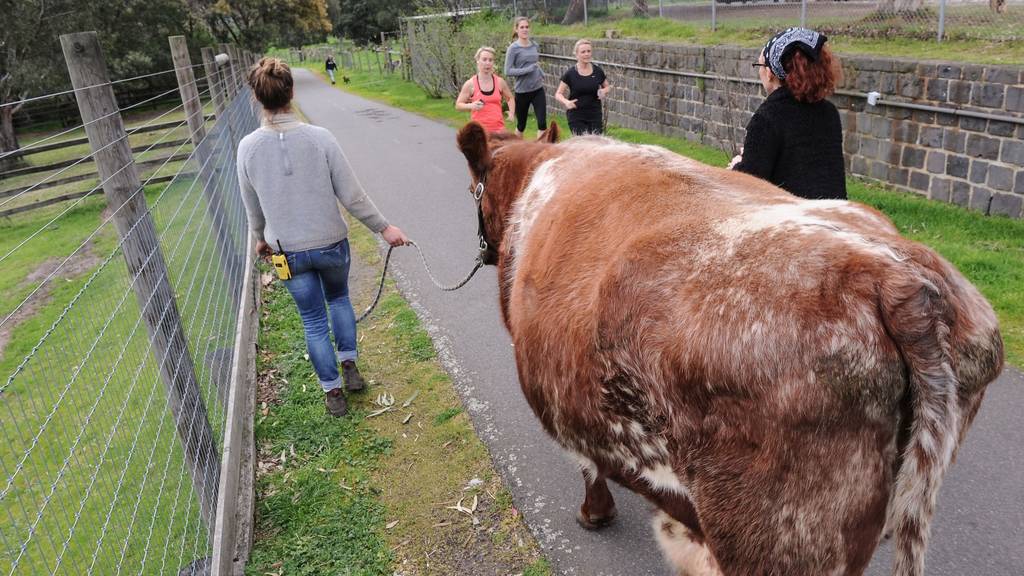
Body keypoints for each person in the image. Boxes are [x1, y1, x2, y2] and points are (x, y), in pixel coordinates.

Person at [237, 58, 409, 417]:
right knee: (339, 300)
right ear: (292, 92)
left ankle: (332, 394)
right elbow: (352, 195)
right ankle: (350, 367)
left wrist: (260, 239)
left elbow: (253, 207)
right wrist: (384, 227)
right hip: (331, 244)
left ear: (256, 97)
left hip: (288, 252)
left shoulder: (247, 149)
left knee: (313, 320)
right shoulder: (321, 139)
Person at [729, 27, 846, 200]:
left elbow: (748, 185)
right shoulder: (829, 112)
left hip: (796, 220)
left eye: (759, 65)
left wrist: (737, 167)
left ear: (769, 73)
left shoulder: (767, 117)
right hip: (835, 216)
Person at [555, 39, 611, 136]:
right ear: (577, 54)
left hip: (595, 114)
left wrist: (604, 91)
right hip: (576, 115)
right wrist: (566, 102)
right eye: (583, 52)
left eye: (589, 51)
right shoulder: (570, 73)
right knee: (582, 144)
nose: (586, 54)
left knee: (596, 146)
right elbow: (558, 94)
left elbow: (608, 87)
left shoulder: (598, 71)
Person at [456, 46, 516, 133]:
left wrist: (511, 113)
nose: (487, 63)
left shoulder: (500, 82)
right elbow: (458, 105)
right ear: (478, 61)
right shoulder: (470, 84)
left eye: (490, 60)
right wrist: (471, 106)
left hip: (498, 130)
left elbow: (510, 98)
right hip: (478, 132)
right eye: (484, 59)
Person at [504, 16, 547, 137]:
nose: (525, 29)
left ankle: (541, 153)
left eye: (527, 27)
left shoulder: (534, 45)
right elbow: (508, 71)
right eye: (522, 27)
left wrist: (541, 73)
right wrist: (527, 70)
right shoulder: (513, 48)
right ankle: (517, 152)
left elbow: (535, 65)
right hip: (522, 92)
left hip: (538, 90)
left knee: (542, 123)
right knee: (521, 125)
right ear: (516, 29)